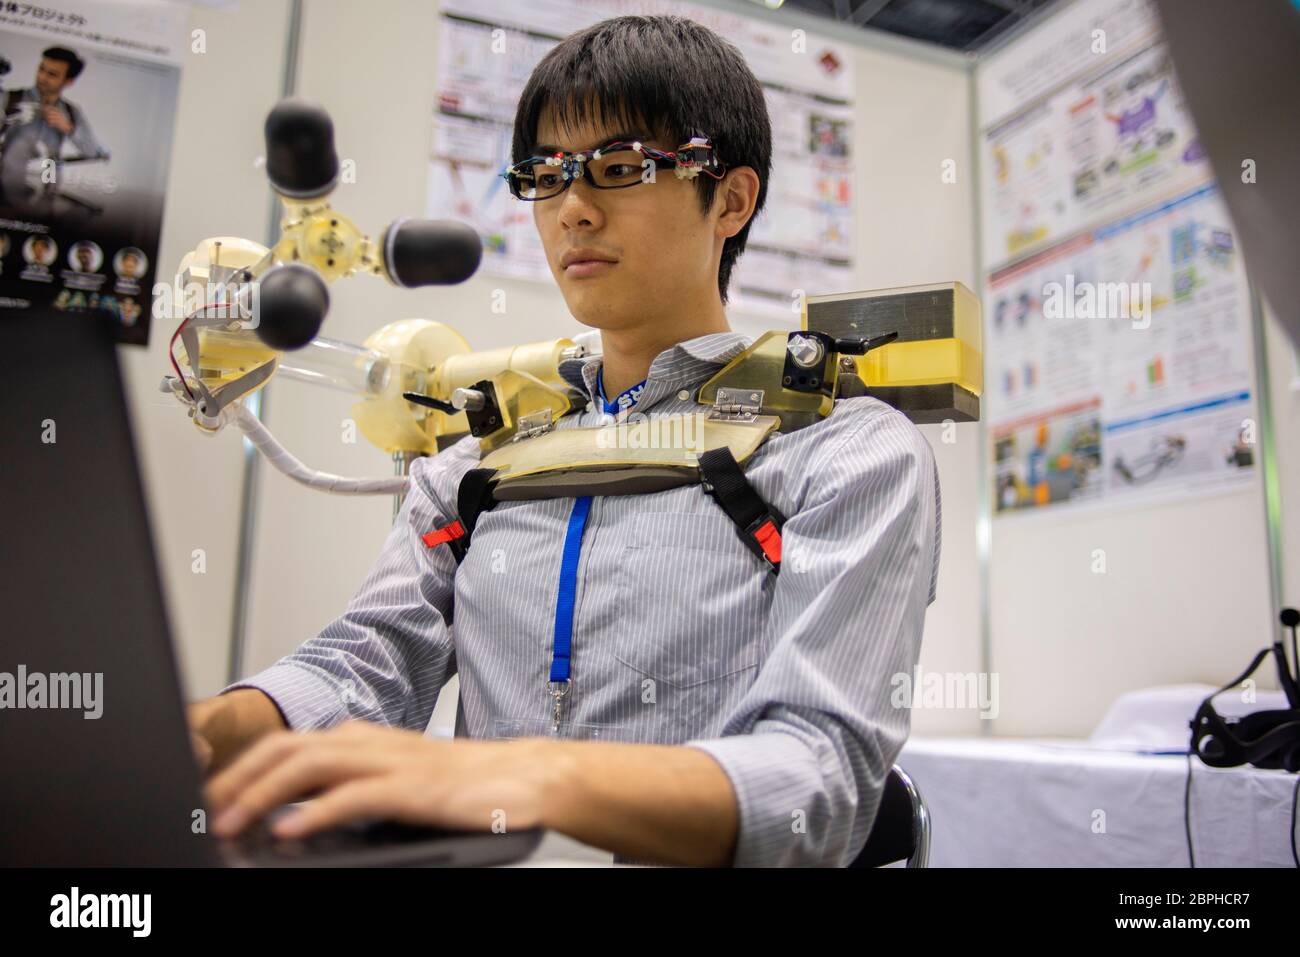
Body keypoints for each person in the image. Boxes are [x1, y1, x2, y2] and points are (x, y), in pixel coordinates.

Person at [192, 15, 941, 867]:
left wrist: (541, 782)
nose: (573, 209)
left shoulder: (844, 452)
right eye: (546, 177)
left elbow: (819, 779)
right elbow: (370, 661)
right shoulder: (474, 466)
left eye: (621, 168)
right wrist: (216, 730)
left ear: (730, 199)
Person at [0, 47, 108, 207]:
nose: (42, 77)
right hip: (5, 198)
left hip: (44, 203)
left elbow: (94, 153)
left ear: (68, 81)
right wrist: (7, 119)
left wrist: (69, 129)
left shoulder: (72, 112)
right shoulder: (9, 99)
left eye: (52, 74)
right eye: (41, 69)